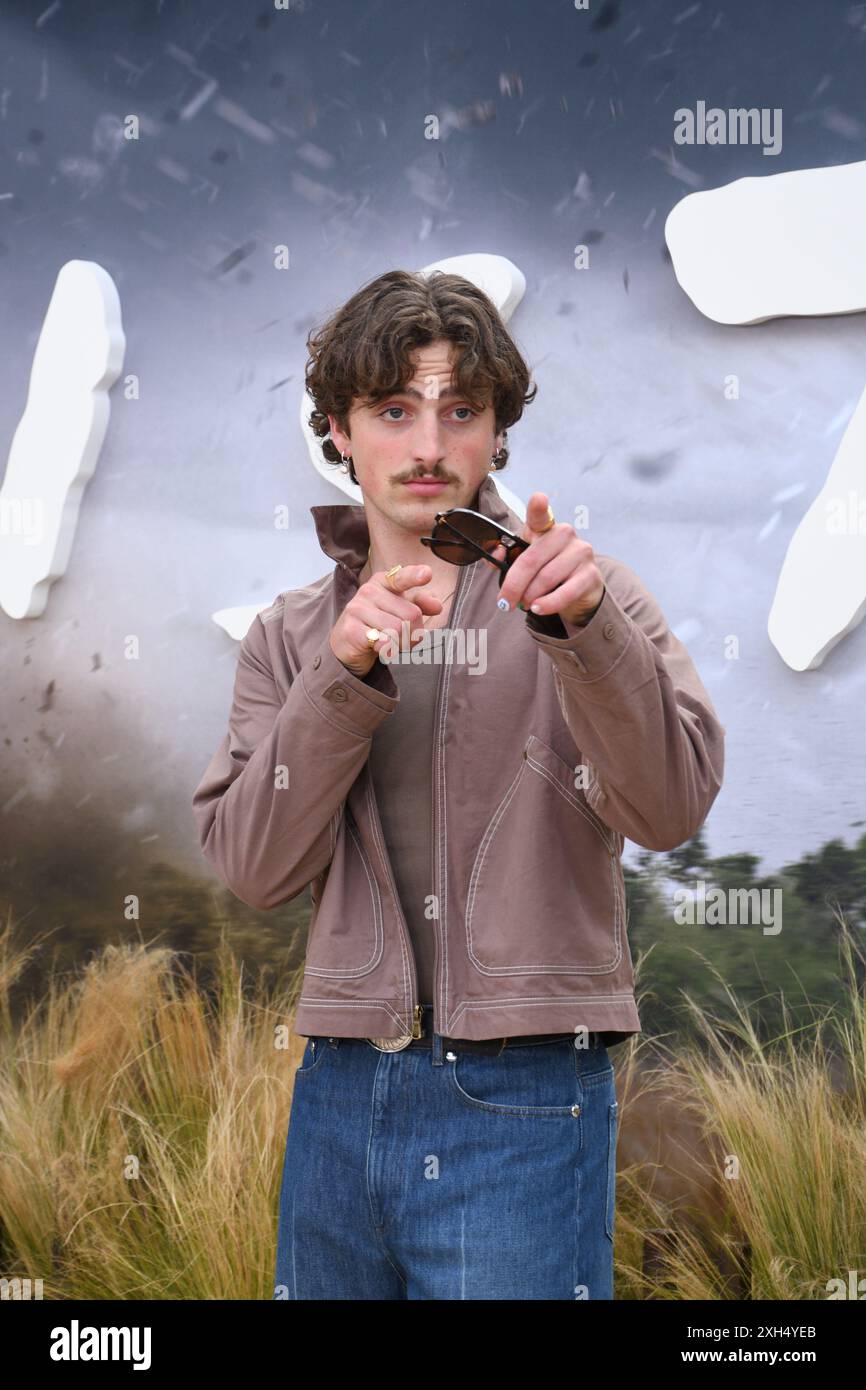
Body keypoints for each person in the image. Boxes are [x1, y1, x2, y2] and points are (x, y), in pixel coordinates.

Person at [192, 268, 725, 1300]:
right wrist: (337, 675)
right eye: (393, 409)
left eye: (460, 410)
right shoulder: (287, 635)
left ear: (495, 433)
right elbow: (254, 869)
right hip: (338, 1091)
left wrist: (582, 634)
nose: (428, 447)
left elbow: (669, 808)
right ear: (338, 430)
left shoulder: (590, 594)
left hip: (525, 1095)